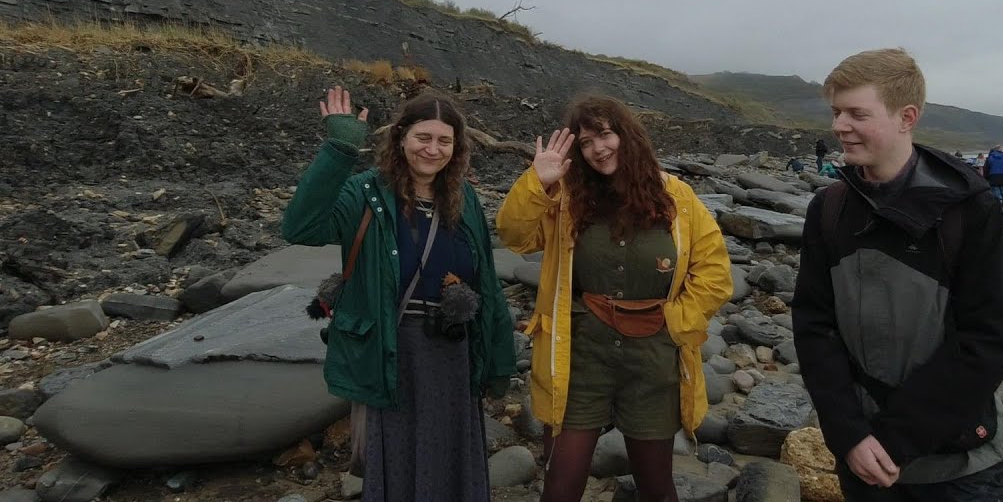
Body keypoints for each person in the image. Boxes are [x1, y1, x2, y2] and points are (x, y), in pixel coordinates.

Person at [792, 48, 1003, 500]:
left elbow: (986, 340)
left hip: (959, 470)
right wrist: (848, 434)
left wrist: (893, 442)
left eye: (857, 113)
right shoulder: (829, 210)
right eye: (836, 112)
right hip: (861, 459)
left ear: (906, 116)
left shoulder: (970, 210)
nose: (839, 126)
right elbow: (814, 326)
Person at [282, 87, 516, 502]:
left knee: (452, 450)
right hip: (393, 346)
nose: (433, 149)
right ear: (402, 137)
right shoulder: (365, 192)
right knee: (400, 454)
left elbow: (488, 284)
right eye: (423, 137)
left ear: (456, 147)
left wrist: (496, 358)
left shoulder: (467, 199)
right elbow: (301, 228)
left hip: (452, 347)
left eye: (445, 140)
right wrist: (339, 149)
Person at [496, 95, 732, 502]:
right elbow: (514, 236)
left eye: (605, 135)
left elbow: (714, 272)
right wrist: (538, 181)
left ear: (627, 135)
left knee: (657, 487)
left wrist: (676, 323)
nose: (598, 149)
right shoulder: (565, 199)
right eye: (586, 143)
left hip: (653, 358)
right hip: (580, 355)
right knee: (560, 484)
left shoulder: (678, 197)